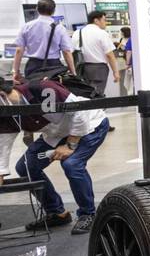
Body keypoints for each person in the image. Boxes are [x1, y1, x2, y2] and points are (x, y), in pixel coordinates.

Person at [4, 76, 111, 234]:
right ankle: (57, 213)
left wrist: (70, 145)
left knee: (72, 164)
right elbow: (3, 143)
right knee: (26, 166)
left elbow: (79, 112)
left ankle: (88, 214)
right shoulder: (5, 112)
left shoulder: (42, 89)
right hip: (56, 132)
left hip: (90, 124)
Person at [12, 0, 77, 82]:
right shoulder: (60, 28)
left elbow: (19, 50)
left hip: (33, 66)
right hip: (53, 66)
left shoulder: (27, 27)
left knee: (33, 91)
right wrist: (73, 72)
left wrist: (15, 71)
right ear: (53, 11)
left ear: (37, 9)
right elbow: (66, 52)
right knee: (53, 92)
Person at [76, 10, 119, 97]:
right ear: (96, 20)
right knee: (97, 94)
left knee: (85, 94)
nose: (105, 22)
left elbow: (72, 51)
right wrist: (115, 72)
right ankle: (96, 110)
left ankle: (87, 110)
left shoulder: (77, 33)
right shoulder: (101, 33)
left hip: (82, 68)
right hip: (99, 69)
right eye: (104, 20)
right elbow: (109, 55)